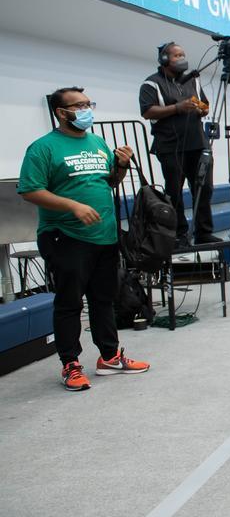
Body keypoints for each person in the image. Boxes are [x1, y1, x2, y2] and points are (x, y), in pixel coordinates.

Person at [18, 87, 150, 391]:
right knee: (69, 303)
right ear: (61, 113)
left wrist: (121, 166)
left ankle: (109, 356)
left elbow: (110, 182)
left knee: (103, 299)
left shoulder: (97, 142)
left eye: (88, 103)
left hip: (103, 235)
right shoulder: (43, 148)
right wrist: (73, 206)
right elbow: (29, 190)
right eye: (79, 106)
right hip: (65, 236)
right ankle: (71, 364)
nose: (86, 109)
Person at [139, 42, 217, 248]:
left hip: (198, 144)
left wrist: (200, 109)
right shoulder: (151, 83)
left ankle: (204, 233)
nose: (182, 58)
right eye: (176, 55)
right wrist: (177, 108)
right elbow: (147, 111)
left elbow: (205, 105)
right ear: (164, 60)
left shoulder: (193, 80)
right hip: (170, 146)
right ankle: (179, 234)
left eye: (183, 54)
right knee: (174, 192)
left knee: (204, 189)